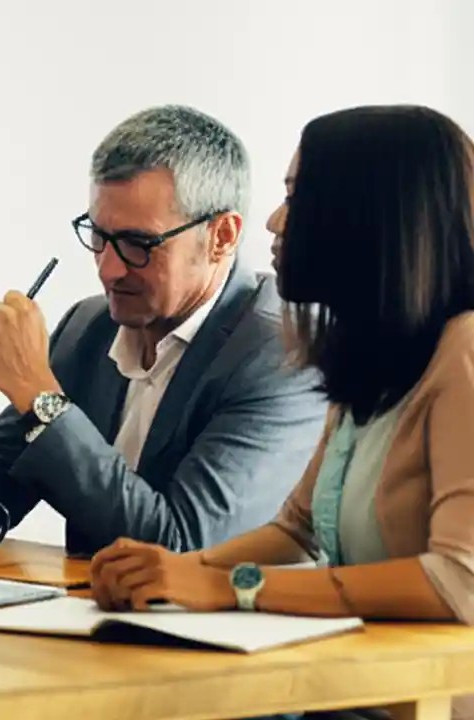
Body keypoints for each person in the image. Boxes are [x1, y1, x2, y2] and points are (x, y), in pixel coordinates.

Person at [90, 105, 474, 720]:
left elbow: (459, 580)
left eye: (297, 196)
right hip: (340, 697)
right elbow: (296, 529)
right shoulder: (369, 353)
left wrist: (230, 588)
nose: (274, 221)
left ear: (369, 216)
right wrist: (167, 573)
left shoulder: (465, 351)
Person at [0, 105, 328, 554]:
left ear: (222, 236)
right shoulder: (87, 329)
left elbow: (179, 549)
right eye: (99, 236)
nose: (109, 270)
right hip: (86, 620)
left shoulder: (281, 351)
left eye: (138, 244)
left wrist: (40, 397)